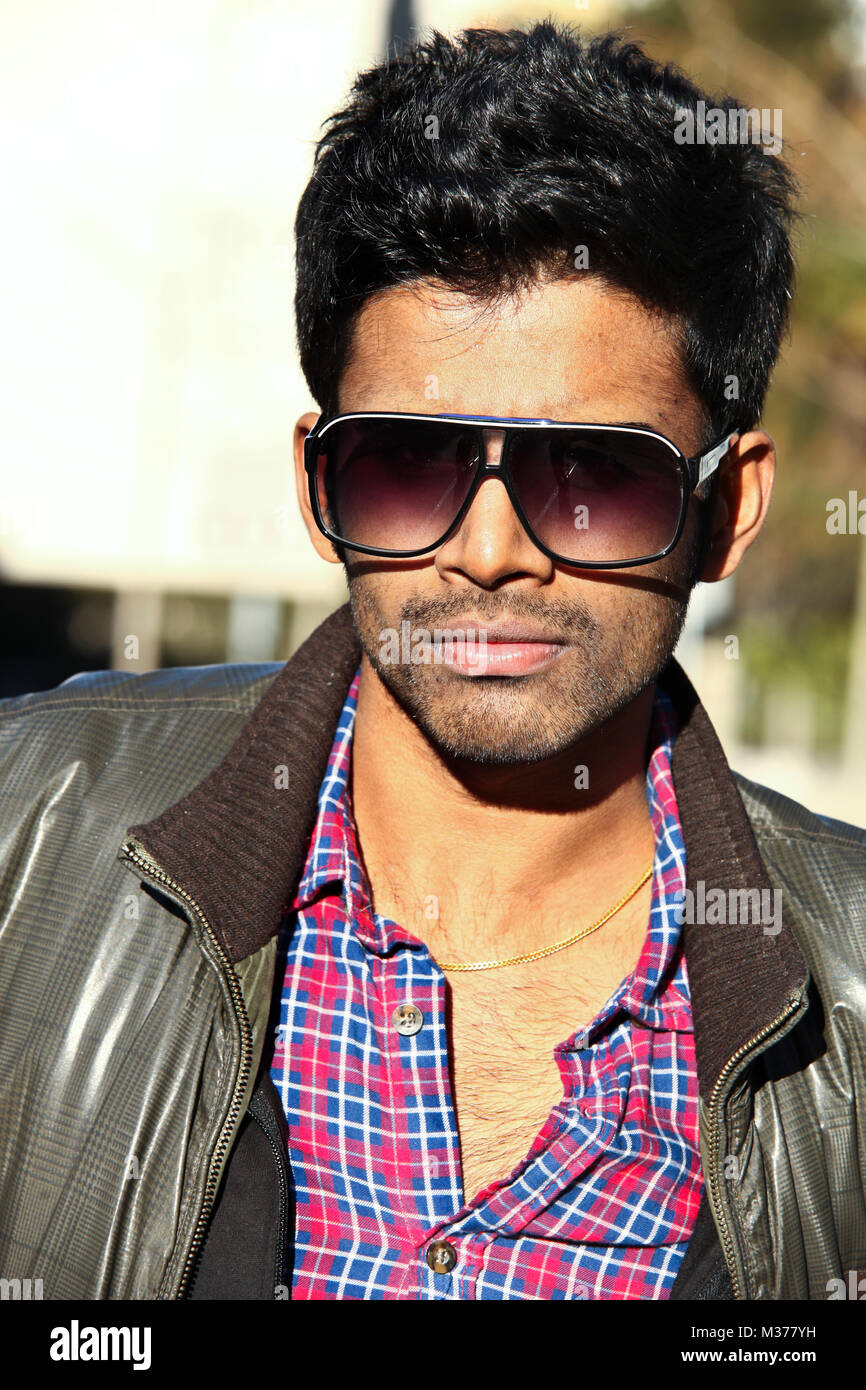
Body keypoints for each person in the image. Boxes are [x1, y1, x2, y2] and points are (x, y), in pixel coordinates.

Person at [1, 21, 864, 1303]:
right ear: (317, 480)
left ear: (725, 509)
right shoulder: (28, 840)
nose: (490, 550)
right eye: (409, 464)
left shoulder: (840, 996)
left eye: (593, 477)